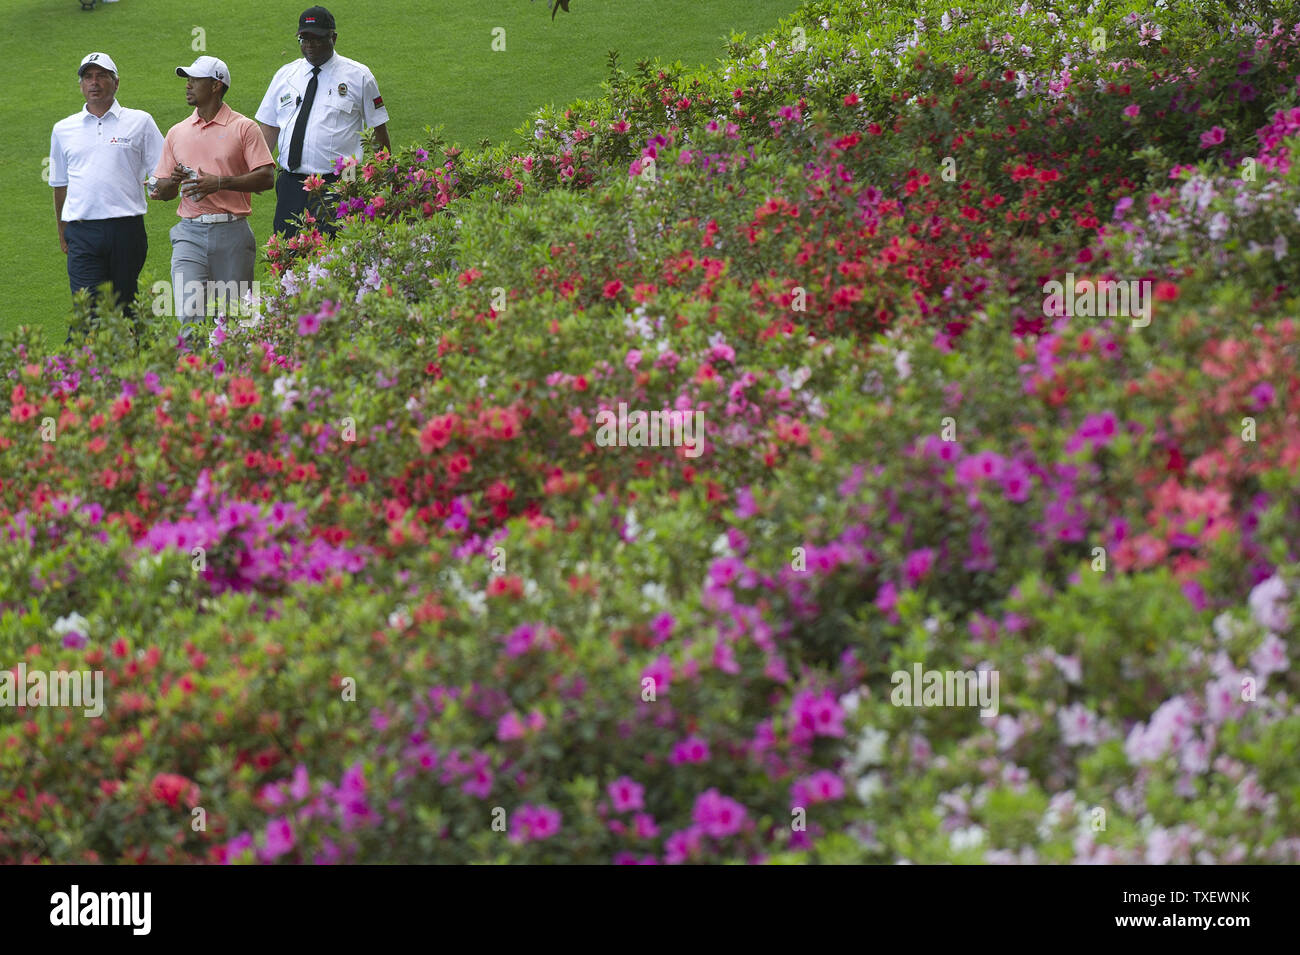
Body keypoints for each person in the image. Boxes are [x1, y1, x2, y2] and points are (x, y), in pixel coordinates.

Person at [149, 56, 274, 338]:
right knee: (190, 318)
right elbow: (164, 192)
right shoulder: (176, 132)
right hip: (188, 235)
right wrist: (172, 183)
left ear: (216, 85)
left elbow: (266, 178)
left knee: (235, 321)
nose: (188, 85)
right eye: (187, 79)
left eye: (195, 79)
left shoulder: (244, 128)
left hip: (233, 233)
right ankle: (193, 380)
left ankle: (234, 380)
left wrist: (220, 183)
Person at [49, 52, 164, 338]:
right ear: (81, 85)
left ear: (116, 83)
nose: (94, 82)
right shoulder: (63, 129)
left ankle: (137, 372)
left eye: (102, 76)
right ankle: (75, 377)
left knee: (125, 306)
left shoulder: (140, 121)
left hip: (127, 229)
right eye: (88, 76)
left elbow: (161, 169)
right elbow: (59, 184)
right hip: (82, 232)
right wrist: (62, 231)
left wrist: (160, 188)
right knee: (87, 311)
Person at [256, 6, 391, 238]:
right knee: (288, 253)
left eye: (317, 38)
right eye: (304, 37)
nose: (309, 44)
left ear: (333, 37)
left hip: (340, 182)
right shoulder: (285, 75)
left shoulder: (359, 76)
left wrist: (384, 177)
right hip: (291, 184)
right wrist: (257, 169)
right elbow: (269, 126)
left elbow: (379, 130)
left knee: (335, 252)